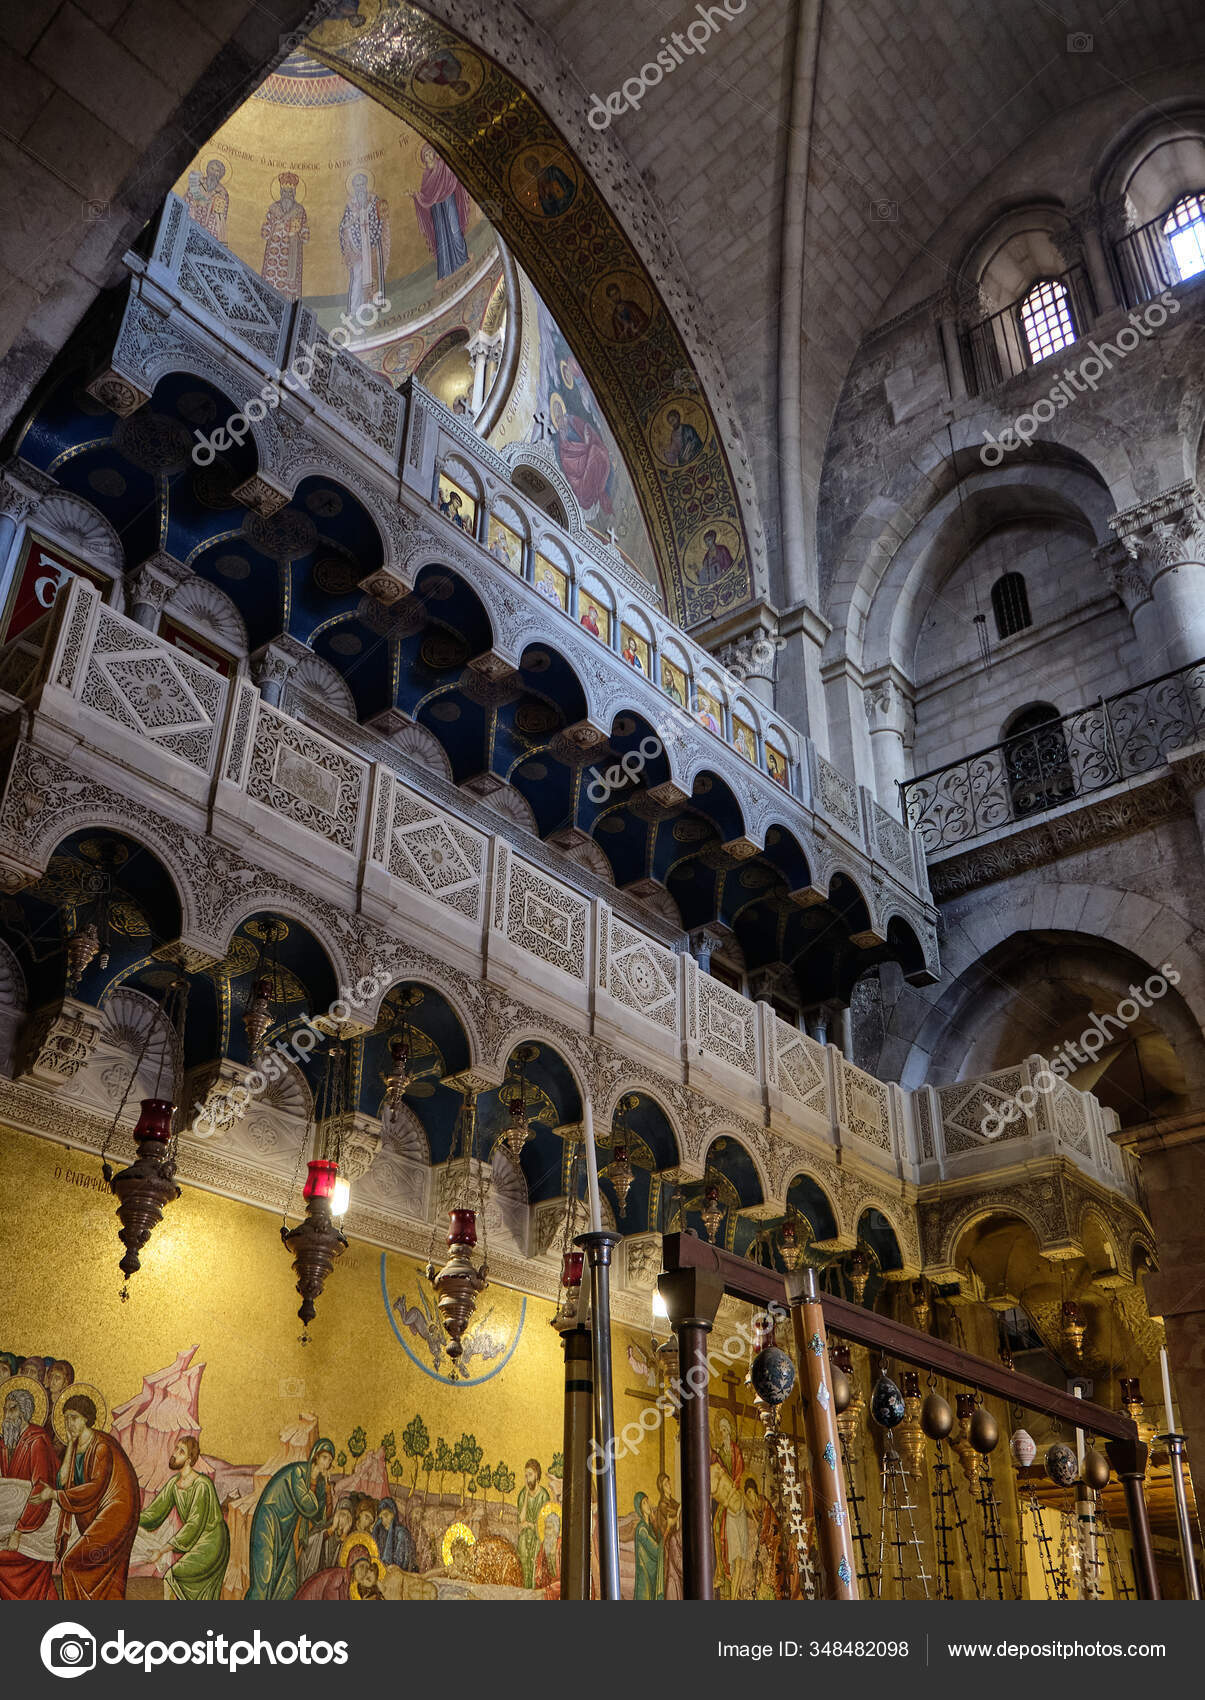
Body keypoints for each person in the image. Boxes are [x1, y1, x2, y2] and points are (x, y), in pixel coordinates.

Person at [30, 1392, 140, 1601]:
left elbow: (94, 1489)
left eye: (74, 1418)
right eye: (66, 1418)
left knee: (72, 1563)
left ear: (86, 1418)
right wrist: (70, 1445)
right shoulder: (78, 1446)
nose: (68, 1423)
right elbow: (63, 1482)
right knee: (101, 1572)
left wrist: (54, 1494)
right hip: (99, 1515)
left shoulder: (101, 1447)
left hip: (116, 1514)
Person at [138, 1435, 229, 1601]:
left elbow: (194, 1524)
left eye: (181, 1451)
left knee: (173, 1574)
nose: (174, 1454)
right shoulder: (175, 1483)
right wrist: (129, 1517)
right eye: (176, 1448)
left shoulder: (202, 1485)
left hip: (212, 1541)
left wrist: (161, 1551)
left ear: (188, 1460)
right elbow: (154, 1513)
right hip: (195, 1540)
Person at [244, 1437, 335, 1600]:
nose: (326, 1463)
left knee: (287, 1581)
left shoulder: (320, 1483)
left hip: (286, 1528)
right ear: (315, 1457)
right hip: (270, 1519)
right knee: (265, 1575)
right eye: (324, 1457)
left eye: (329, 1460)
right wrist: (316, 1483)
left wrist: (328, 1490)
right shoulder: (298, 1472)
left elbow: (322, 1517)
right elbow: (308, 1505)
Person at [0, 1381, 58, 1600]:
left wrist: (19, 1531)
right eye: (5, 1408)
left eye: (12, 1408)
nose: (7, 1414)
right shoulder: (6, 1442)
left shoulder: (37, 1441)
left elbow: (41, 1490)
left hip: (34, 1527)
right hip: (10, 1523)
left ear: (24, 1412)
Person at [412, 145, 470, 280]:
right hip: (436, 208)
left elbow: (452, 176)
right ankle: (445, 271)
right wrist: (416, 195)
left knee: (455, 228)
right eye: (426, 155)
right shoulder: (426, 175)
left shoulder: (443, 165)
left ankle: (462, 257)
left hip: (449, 198)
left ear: (434, 153)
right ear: (424, 160)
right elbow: (425, 196)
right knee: (441, 237)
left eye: (430, 153)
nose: (429, 156)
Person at [339, 173, 390, 315]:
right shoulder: (351, 205)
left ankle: (375, 303)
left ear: (366, 185)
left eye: (362, 184)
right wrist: (353, 221)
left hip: (373, 246)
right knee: (357, 276)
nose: (360, 188)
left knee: (375, 272)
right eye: (357, 185)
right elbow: (344, 226)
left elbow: (381, 219)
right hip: (356, 248)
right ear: (354, 187)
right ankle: (354, 308)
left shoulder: (374, 200)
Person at [710, 1414, 749, 1600]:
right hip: (724, 1500)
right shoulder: (718, 1453)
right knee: (716, 1528)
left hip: (733, 1498)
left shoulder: (735, 1450)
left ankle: (731, 1586)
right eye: (721, 1430)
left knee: (733, 1544)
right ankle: (719, 1570)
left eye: (725, 1429)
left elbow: (739, 1470)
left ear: (730, 1431)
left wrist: (735, 1482)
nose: (723, 1433)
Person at [260, 174, 309, 301]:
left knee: (290, 283)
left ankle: (289, 303)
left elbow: (305, 233)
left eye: (290, 192)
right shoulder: (273, 209)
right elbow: (264, 232)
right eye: (285, 191)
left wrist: (299, 231)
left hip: (292, 251)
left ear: (294, 193)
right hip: (274, 251)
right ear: (281, 192)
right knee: (272, 280)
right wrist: (275, 226)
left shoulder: (299, 210)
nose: (287, 195)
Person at [300, 1492, 354, 1584]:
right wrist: (331, 1529)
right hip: (317, 1573)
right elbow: (308, 1544)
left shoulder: (349, 1539)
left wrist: (344, 1537)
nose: (343, 1520)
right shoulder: (323, 1527)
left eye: (347, 1517)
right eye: (341, 1515)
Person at [516, 1459, 549, 1588]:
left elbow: (543, 1524)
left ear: (537, 1475)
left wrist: (530, 1525)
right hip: (525, 1537)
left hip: (537, 1537)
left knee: (536, 1564)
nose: (528, 1479)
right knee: (523, 1560)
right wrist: (526, 1495)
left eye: (530, 1475)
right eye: (526, 1476)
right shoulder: (522, 1494)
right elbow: (521, 1519)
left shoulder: (544, 1496)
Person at [633, 1491, 665, 1599]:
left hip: (652, 1577)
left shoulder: (650, 1527)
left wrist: (655, 1522)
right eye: (644, 1503)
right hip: (645, 1578)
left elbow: (659, 1539)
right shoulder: (642, 1529)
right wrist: (668, 1528)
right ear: (640, 1509)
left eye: (647, 1501)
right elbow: (656, 1550)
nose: (648, 1504)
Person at [373, 1496, 415, 1570]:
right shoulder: (383, 1533)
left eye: (386, 1515)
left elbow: (400, 1563)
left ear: (393, 1513)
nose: (384, 1521)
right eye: (381, 1518)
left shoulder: (401, 1533)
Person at [534, 1504, 561, 1594]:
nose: (546, 1532)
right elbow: (539, 1571)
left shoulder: (561, 1546)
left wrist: (547, 1589)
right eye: (545, 1528)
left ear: (556, 1530)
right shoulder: (544, 1546)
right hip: (546, 1589)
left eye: (549, 1528)